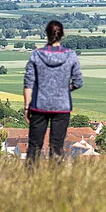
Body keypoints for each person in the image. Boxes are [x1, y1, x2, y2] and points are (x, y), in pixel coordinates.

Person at [22, 20, 83, 166]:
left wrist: (26, 106)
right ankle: (55, 177)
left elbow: (28, 82)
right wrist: (63, 89)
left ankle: (30, 177)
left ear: (47, 34)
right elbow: (78, 82)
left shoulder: (36, 55)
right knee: (57, 145)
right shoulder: (71, 55)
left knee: (34, 145)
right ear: (62, 34)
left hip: (39, 105)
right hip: (62, 106)